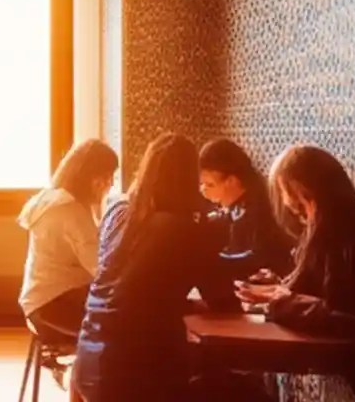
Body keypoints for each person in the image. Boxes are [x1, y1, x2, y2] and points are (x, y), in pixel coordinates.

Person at [72, 133, 238, 402]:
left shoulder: (118, 214)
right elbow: (223, 300)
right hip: (138, 376)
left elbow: (127, 290)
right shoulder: (186, 230)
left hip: (88, 363)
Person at [234, 145, 355, 402]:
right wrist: (277, 290)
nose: (294, 209)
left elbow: (349, 318)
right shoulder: (338, 222)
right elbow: (313, 285)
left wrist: (281, 301)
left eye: (299, 202)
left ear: (310, 191)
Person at [18, 139, 118, 340]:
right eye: (106, 177)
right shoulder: (71, 212)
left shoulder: (51, 200)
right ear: (89, 176)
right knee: (125, 320)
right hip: (54, 307)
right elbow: (100, 269)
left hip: (38, 302)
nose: (110, 184)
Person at [198, 139, 293, 282]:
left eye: (210, 184)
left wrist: (204, 261)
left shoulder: (264, 205)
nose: (203, 190)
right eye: (202, 184)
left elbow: (258, 257)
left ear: (232, 181)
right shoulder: (233, 200)